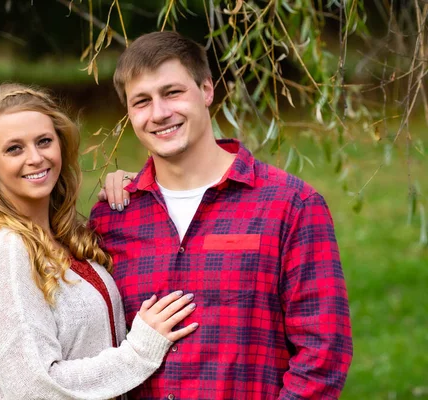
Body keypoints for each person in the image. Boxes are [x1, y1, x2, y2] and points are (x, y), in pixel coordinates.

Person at [90, 31, 353, 399]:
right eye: (142, 101)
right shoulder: (113, 217)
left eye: (172, 92)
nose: (160, 113)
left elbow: (323, 355)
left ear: (207, 90)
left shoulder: (290, 206)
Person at [0, 83, 200, 400]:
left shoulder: (65, 236)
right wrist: (139, 351)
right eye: (14, 148)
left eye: (44, 141)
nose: (35, 158)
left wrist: (136, 192)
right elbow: (32, 387)